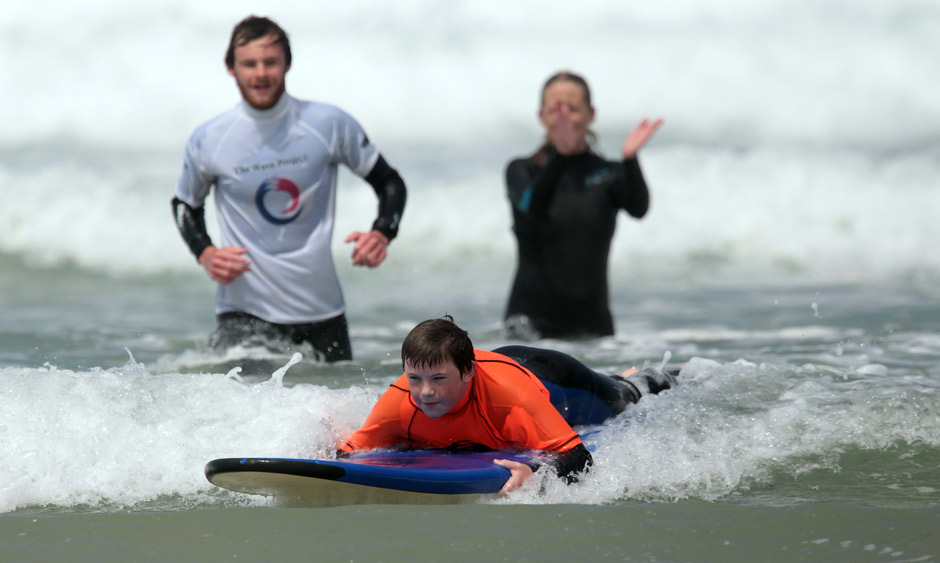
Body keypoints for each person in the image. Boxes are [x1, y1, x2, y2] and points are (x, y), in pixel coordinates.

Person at [171, 16, 406, 362]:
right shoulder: (210, 139)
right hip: (243, 312)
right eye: (249, 64)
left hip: (321, 312)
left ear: (287, 64)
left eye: (270, 62)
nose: (261, 73)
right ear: (231, 68)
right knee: (237, 416)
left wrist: (383, 232)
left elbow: (389, 182)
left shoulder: (326, 124)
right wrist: (205, 252)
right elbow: (184, 204)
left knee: (337, 414)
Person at [338, 316, 678, 495]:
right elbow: (350, 454)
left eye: (439, 380)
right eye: (414, 379)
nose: (424, 392)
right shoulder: (400, 401)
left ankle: (655, 376)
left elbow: (579, 459)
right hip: (496, 368)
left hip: (550, 378)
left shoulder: (512, 403)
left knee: (622, 395)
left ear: (468, 372)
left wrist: (536, 473)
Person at [504, 71, 663, 340]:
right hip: (528, 330)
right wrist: (561, 156)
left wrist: (630, 159)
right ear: (541, 117)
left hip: (594, 333)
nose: (564, 116)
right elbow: (532, 207)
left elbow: (639, 208)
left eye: (573, 108)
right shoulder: (521, 171)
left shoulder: (609, 174)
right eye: (555, 109)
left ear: (591, 114)